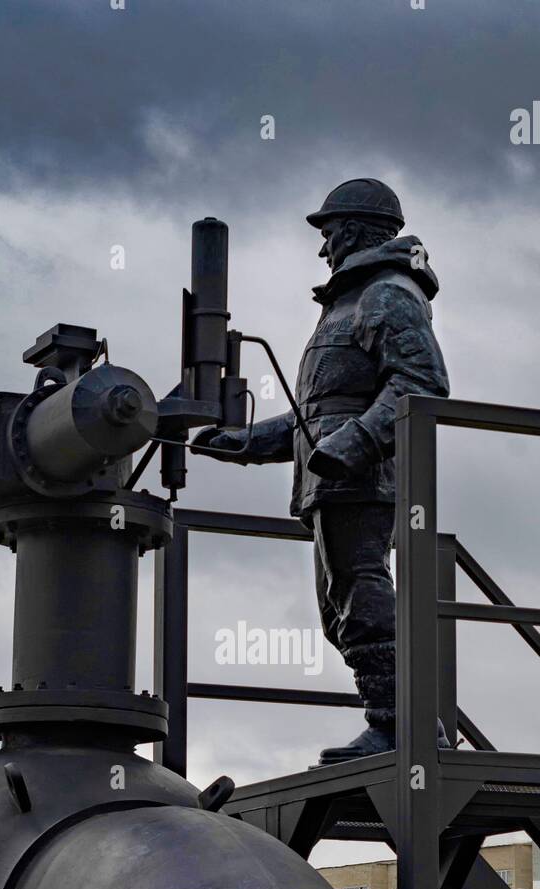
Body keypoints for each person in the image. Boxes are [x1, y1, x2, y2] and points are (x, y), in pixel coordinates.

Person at [193, 178, 451, 763]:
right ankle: (402, 725)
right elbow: (316, 418)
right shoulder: (348, 304)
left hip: (363, 479)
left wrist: (357, 444)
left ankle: (401, 727)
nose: (322, 247)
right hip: (334, 482)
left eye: (328, 233)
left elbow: (421, 383)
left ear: (356, 231)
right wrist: (245, 442)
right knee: (341, 610)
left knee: (360, 595)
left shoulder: (388, 295)